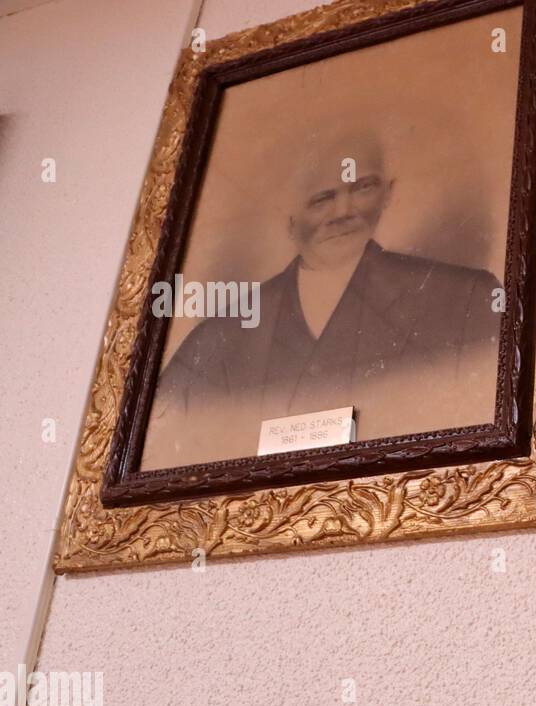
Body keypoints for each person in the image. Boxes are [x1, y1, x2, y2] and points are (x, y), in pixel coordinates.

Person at [141, 130, 501, 469]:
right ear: (287, 216)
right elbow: (166, 447)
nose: (344, 212)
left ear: (388, 193)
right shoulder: (221, 336)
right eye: (322, 198)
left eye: (363, 188)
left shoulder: (463, 299)